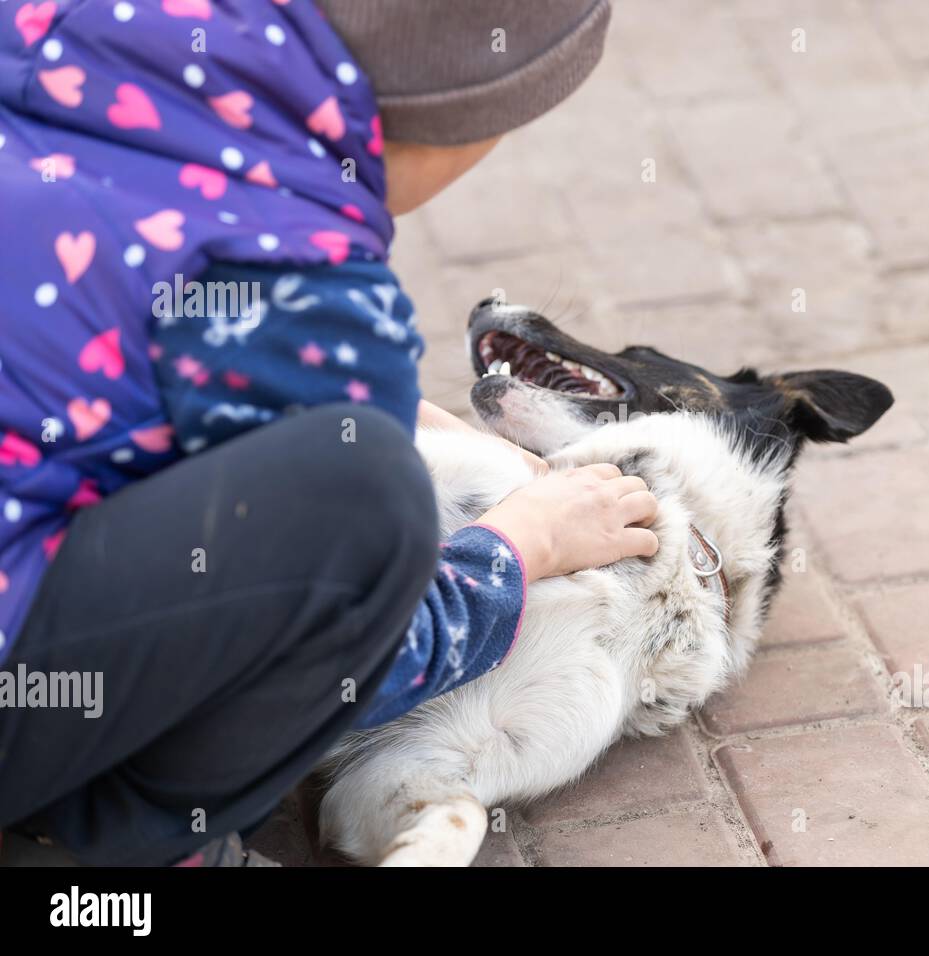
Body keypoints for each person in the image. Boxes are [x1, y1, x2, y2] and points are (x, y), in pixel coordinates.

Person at [0, 0, 651, 866]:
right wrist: (519, 546)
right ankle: (119, 856)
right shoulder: (300, 281)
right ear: (456, 117)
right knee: (361, 493)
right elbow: (364, 666)